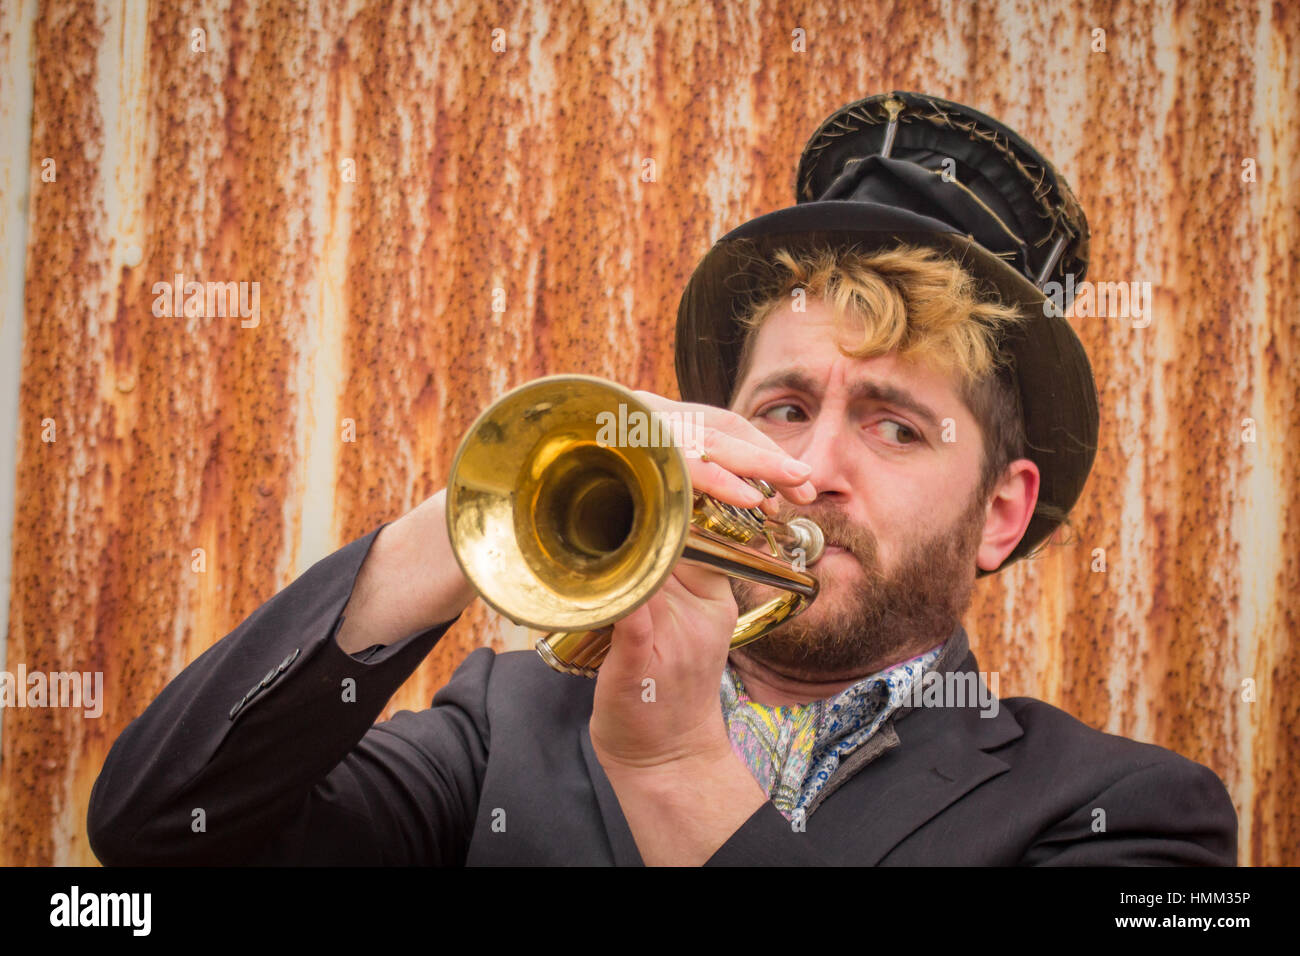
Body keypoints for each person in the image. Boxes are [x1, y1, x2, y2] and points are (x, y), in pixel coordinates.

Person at [87, 91, 1237, 866]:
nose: (811, 467)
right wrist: (478, 513)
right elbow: (158, 833)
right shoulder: (508, 718)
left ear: (1002, 511)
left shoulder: (1132, 811)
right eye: (782, 408)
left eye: (892, 426)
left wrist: (676, 768)